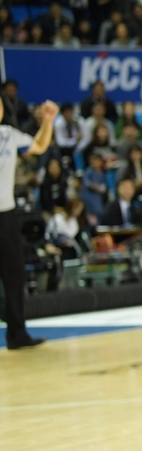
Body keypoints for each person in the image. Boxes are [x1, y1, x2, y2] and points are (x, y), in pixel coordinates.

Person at [0, 98, 56, 349]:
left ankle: (17, 333)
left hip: (6, 213)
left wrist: (48, 120)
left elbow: (40, 145)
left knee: (15, 275)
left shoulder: (9, 134)